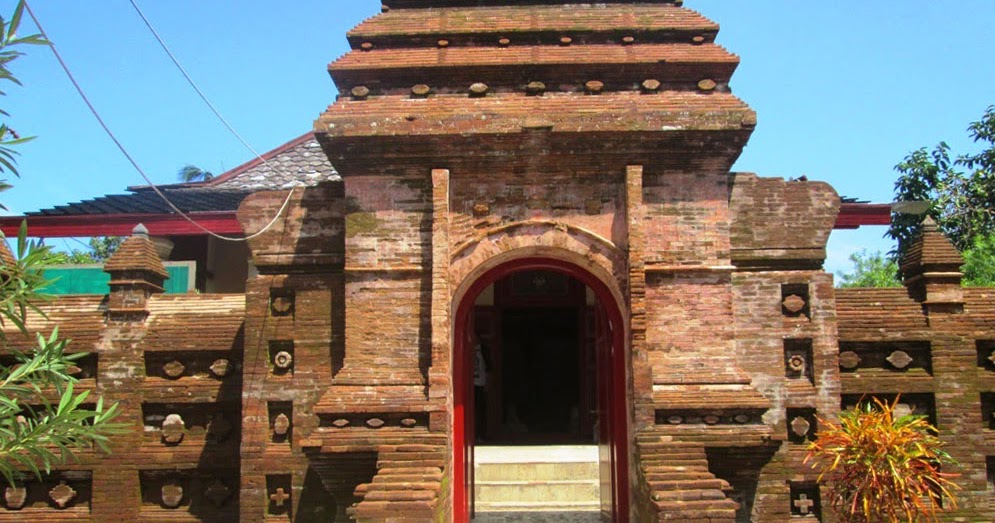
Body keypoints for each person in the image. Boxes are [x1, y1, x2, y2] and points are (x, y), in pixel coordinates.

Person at [473, 333, 490, 441]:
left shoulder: (484, 350)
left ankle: (481, 435)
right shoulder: (468, 348)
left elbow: (489, 368)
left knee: (481, 410)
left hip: (481, 383)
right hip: (469, 384)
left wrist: (487, 384)